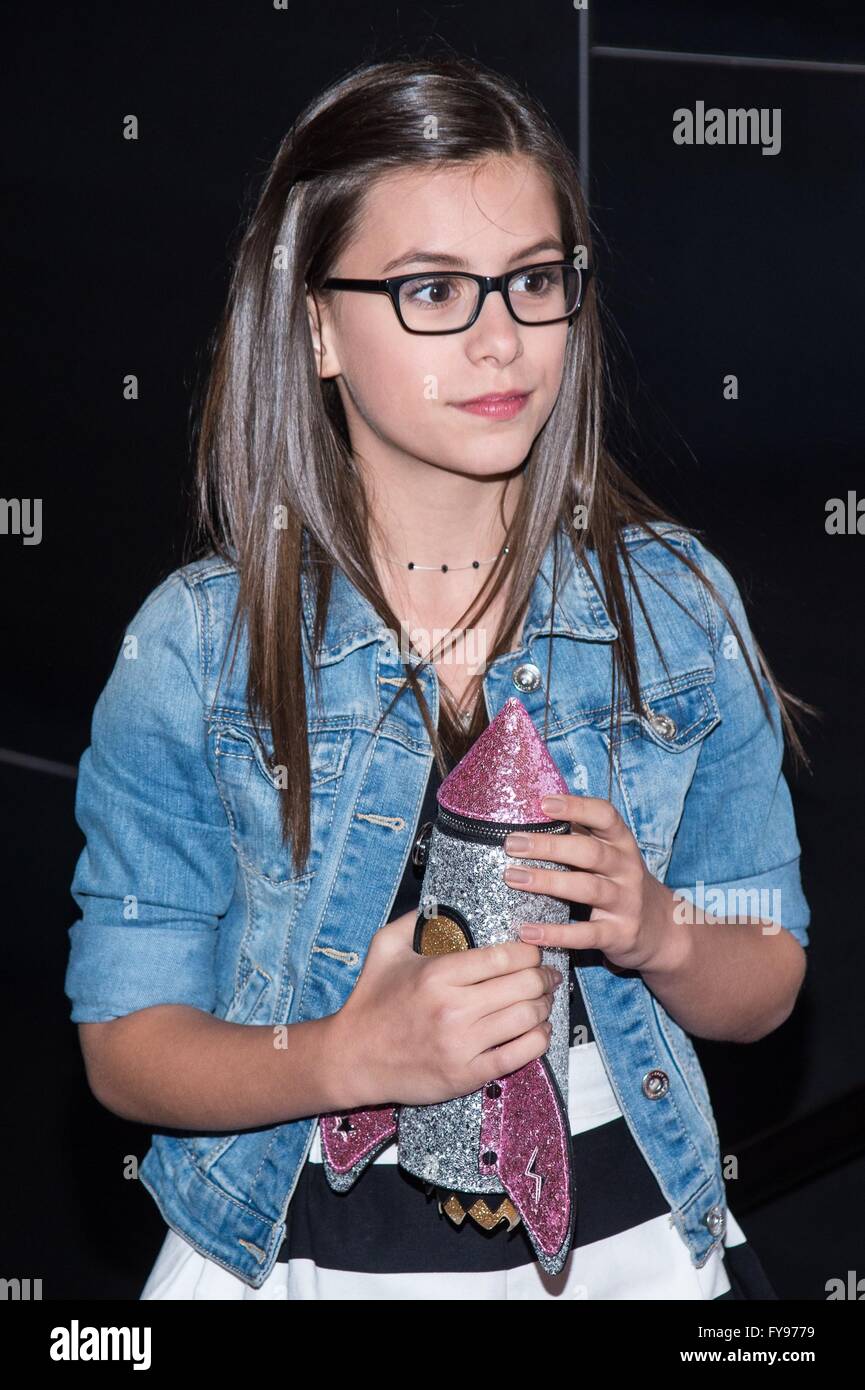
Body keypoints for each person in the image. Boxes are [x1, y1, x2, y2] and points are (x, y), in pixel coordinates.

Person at [65, 54, 814, 1301]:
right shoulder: (196, 647)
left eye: (531, 281)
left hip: (634, 1257)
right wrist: (350, 1053)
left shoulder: (673, 604)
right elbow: (126, 1046)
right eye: (430, 291)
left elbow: (767, 971)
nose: (498, 336)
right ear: (314, 323)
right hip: (294, 1254)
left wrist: (661, 929)